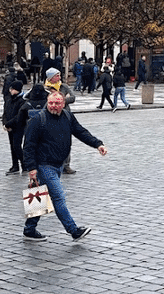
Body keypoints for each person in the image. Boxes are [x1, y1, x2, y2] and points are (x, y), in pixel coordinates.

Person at [22, 92, 108, 241]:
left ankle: (29, 229)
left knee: (39, 195)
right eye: (51, 103)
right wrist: (31, 168)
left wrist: (98, 144)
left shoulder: (68, 116)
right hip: (44, 165)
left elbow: (80, 132)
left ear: (63, 104)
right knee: (58, 197)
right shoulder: (38, 120)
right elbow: (28, 146)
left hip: (58, 165)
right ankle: (73, 230)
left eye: (57, 103)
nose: (53, 106)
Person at [24, 68, 78, 175]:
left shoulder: (63, 86)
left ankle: (66, 165)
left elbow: (73, 97)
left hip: (64, 116)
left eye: (59, 75)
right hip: (49, 117)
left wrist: (60, 100)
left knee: (65, 141)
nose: (59, 77)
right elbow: (28, 97)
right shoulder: (45, 88)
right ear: (50, 77)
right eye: (57, 75)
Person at [2, 79, 30, 174]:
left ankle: (24, 164)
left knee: (17, 146)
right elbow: (5, 112)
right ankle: (15, 165)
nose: (10, 90)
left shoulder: (22, 100)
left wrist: (9, 124)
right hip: (9, 127)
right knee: (12, 146)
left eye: (12, 89)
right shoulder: (9, 99)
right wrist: (5, 123)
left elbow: (19, 116)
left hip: (18, 127)